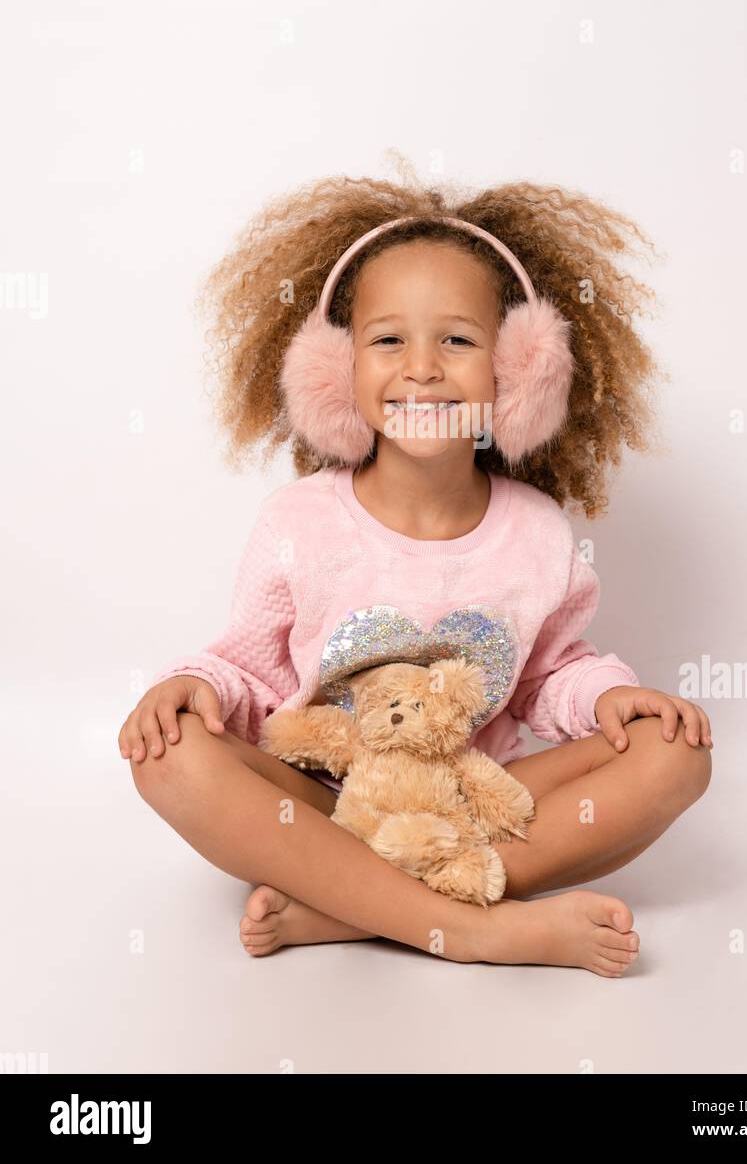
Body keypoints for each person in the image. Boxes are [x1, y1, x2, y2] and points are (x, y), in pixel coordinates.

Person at [120, 169, 712, 974]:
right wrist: (193, 684)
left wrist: (610, 697)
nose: (423, 369)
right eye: (389, 339)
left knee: (676, 754)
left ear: (518, 370)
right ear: (334, 372)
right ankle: (472, 926)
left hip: (472, 799)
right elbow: (244, 671)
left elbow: (548, 675)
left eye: (458, 340)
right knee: (169, 753)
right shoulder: (298, 521)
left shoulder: (533, 531)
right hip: (325, 804)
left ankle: (351, 910)